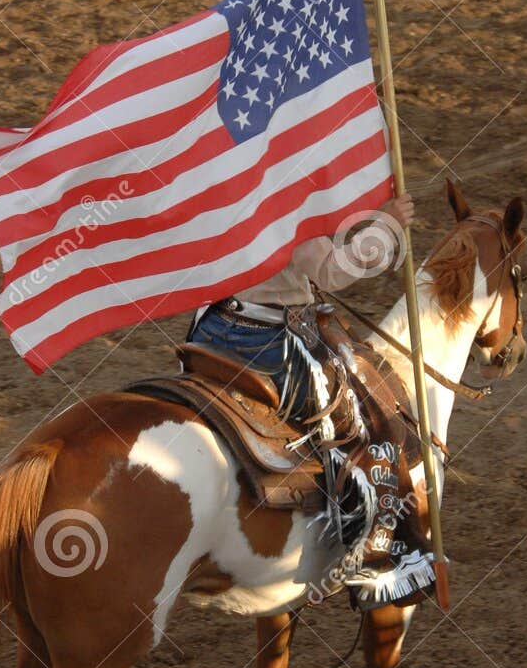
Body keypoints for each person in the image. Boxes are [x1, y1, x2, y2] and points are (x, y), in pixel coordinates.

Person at [186, 194, 436, 604]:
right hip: (263, 338)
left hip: (209, 328)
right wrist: (387, 225)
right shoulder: (284, 189)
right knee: (355, 413)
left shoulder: (227, 176)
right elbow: (332, 272)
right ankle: (373, 550)